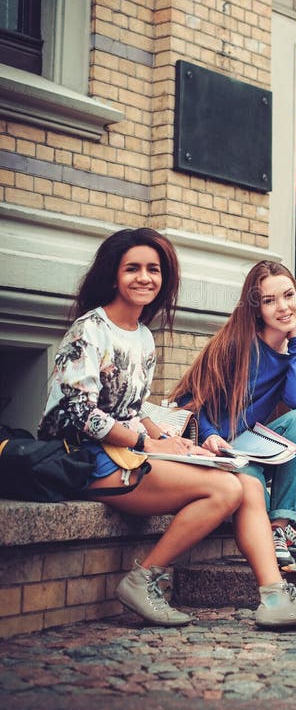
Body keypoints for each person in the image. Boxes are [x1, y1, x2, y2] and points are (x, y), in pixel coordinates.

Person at [38, 227, 246, 627]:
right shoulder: (90, 329)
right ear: (113, 275)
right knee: (224, 490)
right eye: (132, 268)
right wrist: (146, 443)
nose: (144, 278)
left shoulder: (144, 337)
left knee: (234, 479)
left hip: (120, 450)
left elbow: (132, 408)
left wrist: (177, 442)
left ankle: (268, 591)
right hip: (77, 457)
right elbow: (81, 413)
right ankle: (143, 580)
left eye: (153, 269)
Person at [170, 259, 296, 630]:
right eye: (271, 301)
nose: (283, 307)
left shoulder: (290, 352)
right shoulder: (236, 344)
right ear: (256, 307)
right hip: (215, 451)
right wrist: (208, 435)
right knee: (247, 470)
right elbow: (190, 400)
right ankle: (269, 537)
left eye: (289, 296)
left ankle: (280, 525)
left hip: (247, 444)